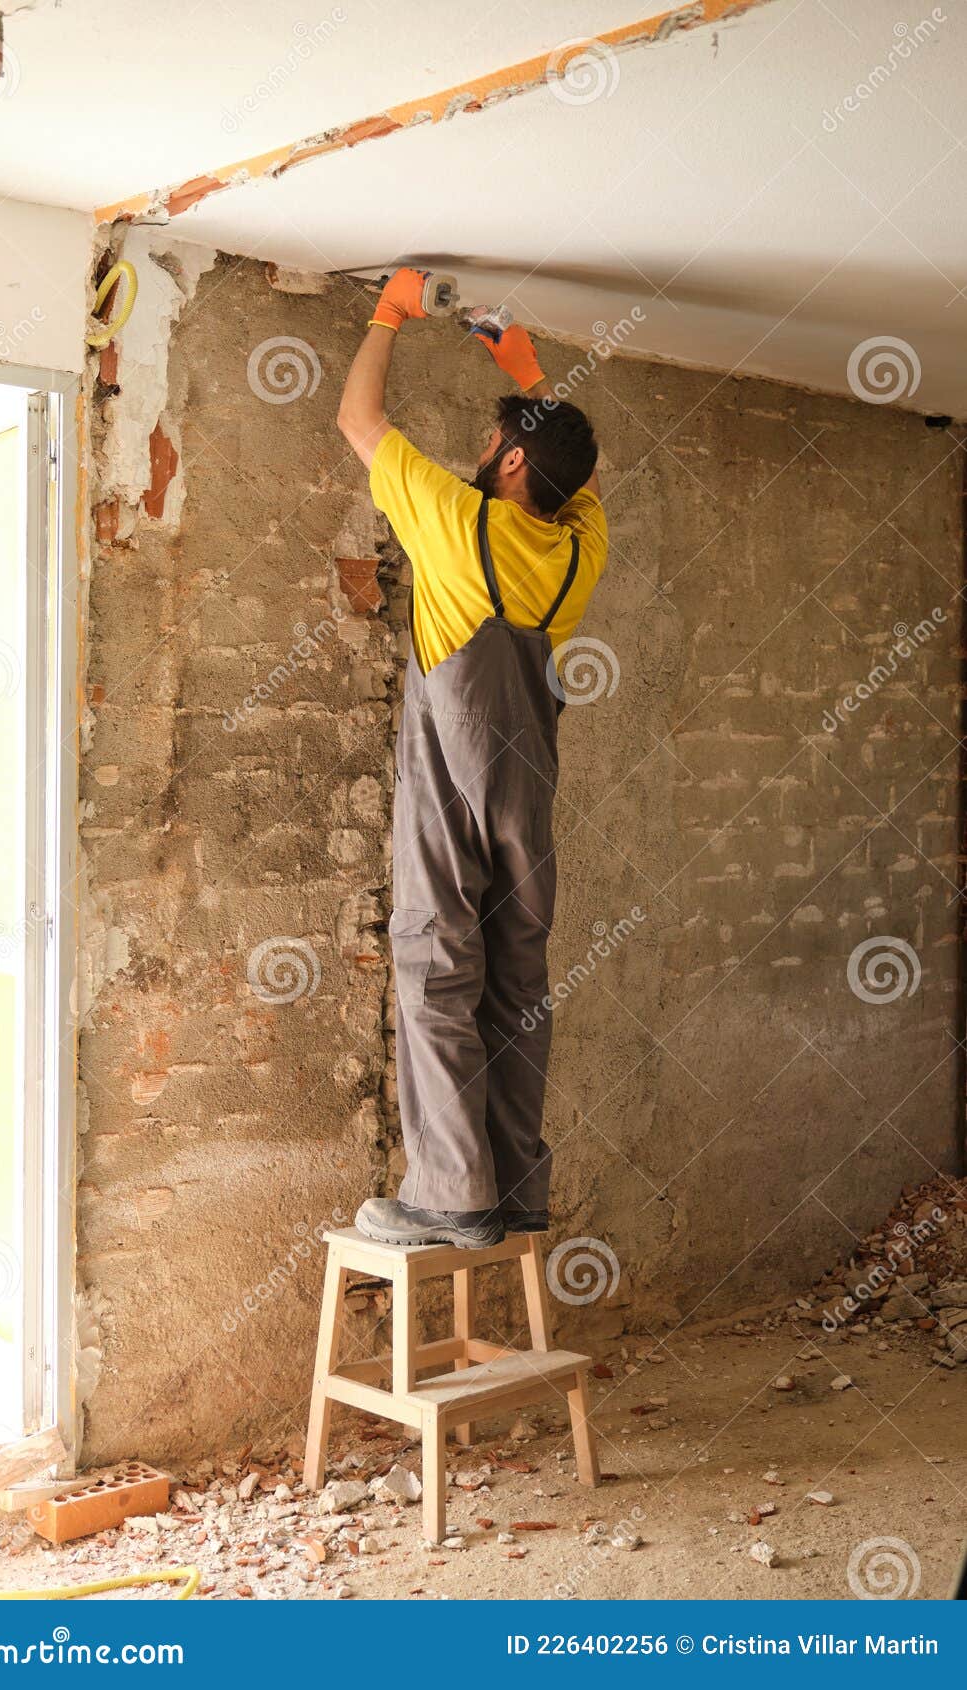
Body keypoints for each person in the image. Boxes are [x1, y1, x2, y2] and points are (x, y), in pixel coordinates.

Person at [336, 268, 609, 1249]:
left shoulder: (457, 528)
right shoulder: (579, 548)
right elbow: (569, 473)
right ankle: (514, 1188)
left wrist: (388, 310)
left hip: (453, 772)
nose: (477, 446)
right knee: (514, 977)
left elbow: (356, 415)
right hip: (526, 790)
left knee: (433, 960)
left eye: (489, 441)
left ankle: (449, 1196)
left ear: (500, 467)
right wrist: (519, 362)